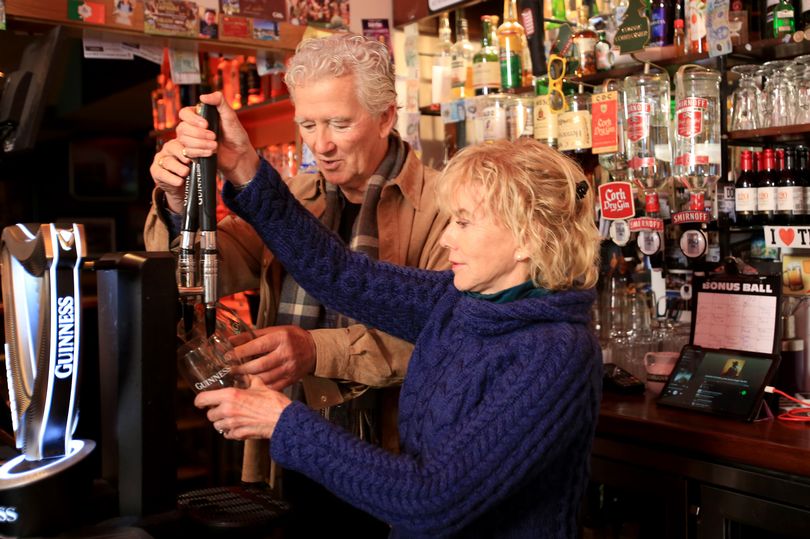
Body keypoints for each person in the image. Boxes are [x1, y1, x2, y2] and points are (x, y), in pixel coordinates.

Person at [187, 135, 602, 537]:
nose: (446, 237)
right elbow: (341, 275)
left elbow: (432, 500)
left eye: (463, 222)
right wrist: (246, 169)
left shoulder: (554, 352)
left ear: (526, 239)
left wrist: (281, 422)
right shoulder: (459, 301)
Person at [145, 34, 448, 535]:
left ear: (387, 117)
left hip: (398, 460)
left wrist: (315, 350)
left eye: (339, 123)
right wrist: (179, 201)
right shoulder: (291, 200)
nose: (321, 143)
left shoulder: (445, 207)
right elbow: (203, 274)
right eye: (308, 124)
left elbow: (447, 337)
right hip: (290, 458)